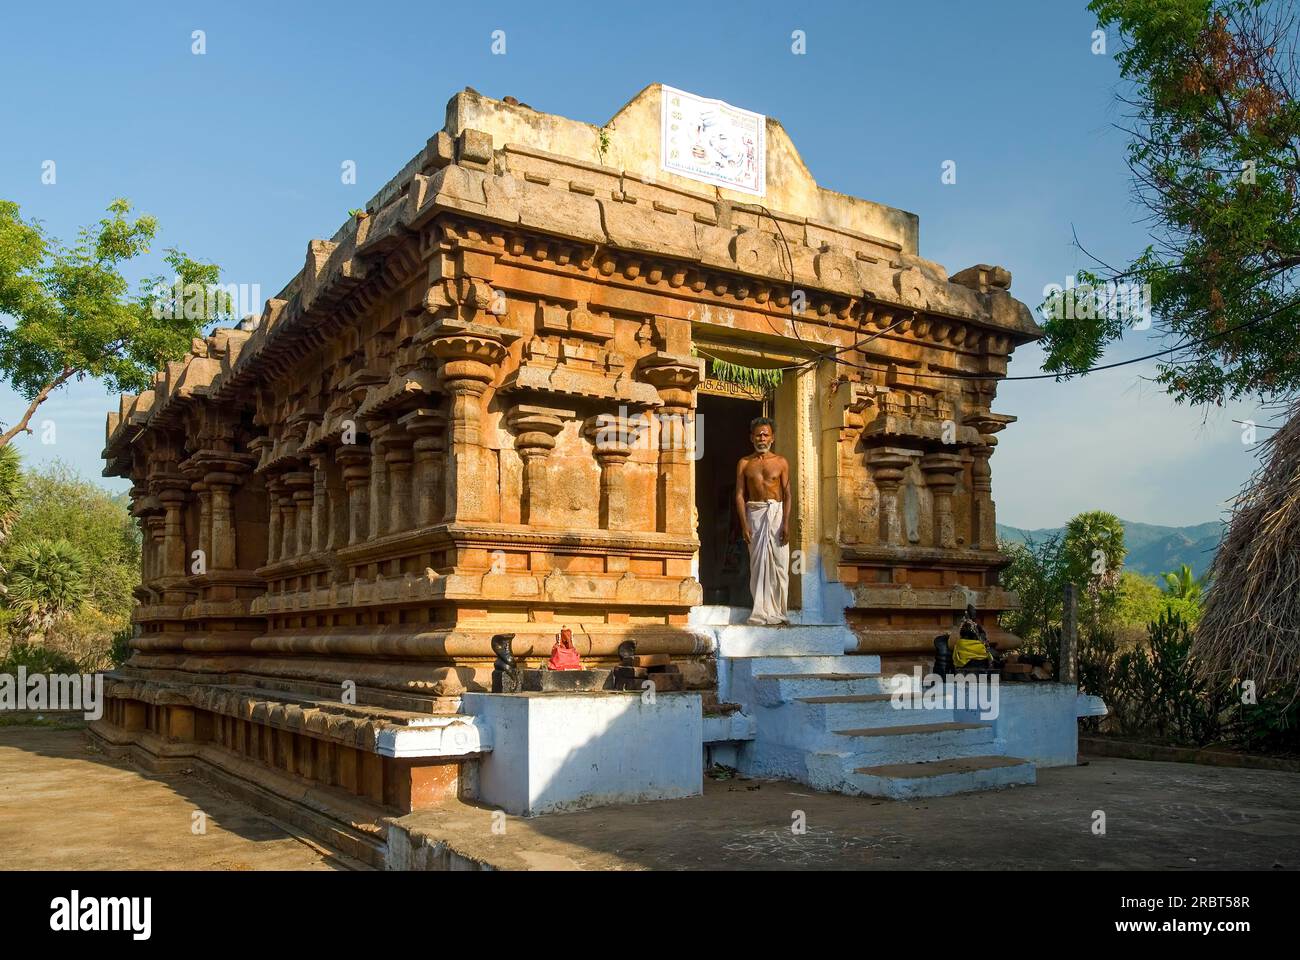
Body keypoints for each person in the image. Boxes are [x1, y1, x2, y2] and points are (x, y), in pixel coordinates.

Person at [735, 417, 791, 625]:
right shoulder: (744, 463)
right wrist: (744, 524)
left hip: (776, 514)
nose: (762, 438)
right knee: (757, 566)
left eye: (766, 434)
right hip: (755, 514)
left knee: (779, 564)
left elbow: (788, 494)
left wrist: (786, 522)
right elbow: (739, 495)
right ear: (751, 438)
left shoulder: (781, 462)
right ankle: (759, 612)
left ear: (772, 438)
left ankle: (778, 613)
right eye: (758, 434)